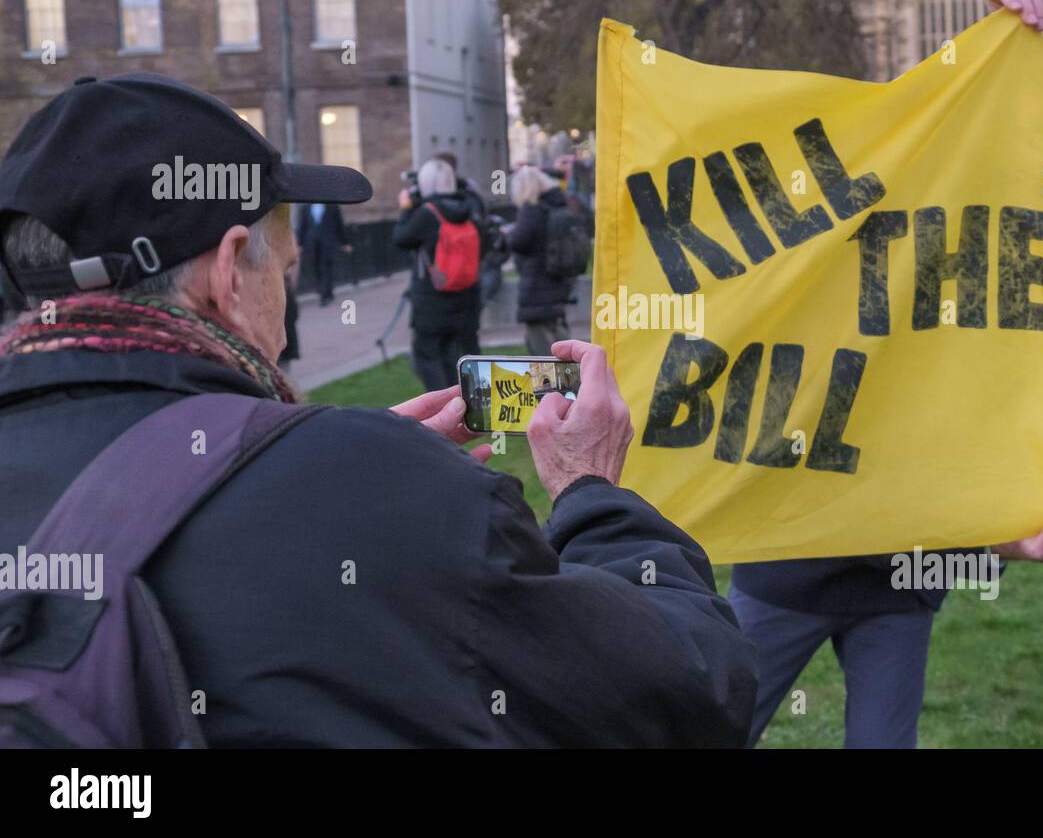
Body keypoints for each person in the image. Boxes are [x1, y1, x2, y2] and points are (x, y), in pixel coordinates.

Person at [0, 73, 757, 747]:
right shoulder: (368, 483)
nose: (289, 317)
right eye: (287, 274)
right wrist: (594, 495)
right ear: (229, 271)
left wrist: (307, 463)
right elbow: (687, 693)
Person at [730, 0, 1043, 750]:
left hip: (902, 583)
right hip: (784, 571)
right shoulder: (782, 272)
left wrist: (1007, 24)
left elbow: (969, 417)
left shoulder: (949, 268)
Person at [393, 159, 484, 390]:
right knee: (460, 357)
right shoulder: (469, 208)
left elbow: (401, 238)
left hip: (432, 299)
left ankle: (442, 409)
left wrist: (405, 209)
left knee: (428, 355)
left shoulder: (427, 214)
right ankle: (466, 407)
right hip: (465, 297)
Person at [508, 165, 593, 356]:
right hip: (559, 283)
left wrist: (508, 234)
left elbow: (518, 241)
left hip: (537, 288)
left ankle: (553, 386)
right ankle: (572, 383)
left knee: (542, 350)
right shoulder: (560, 206)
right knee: (560, 342)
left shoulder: (532, 210)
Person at [295, 200, 351, 306]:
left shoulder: (332, 206)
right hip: (312, 243)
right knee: (316, 267)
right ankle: (325, 291)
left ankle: (325, 295)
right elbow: (302, 226)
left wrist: (345, 243)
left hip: (328, 242)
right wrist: (299, 244)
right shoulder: (306, 207)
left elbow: (339, 224)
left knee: (326, 267)